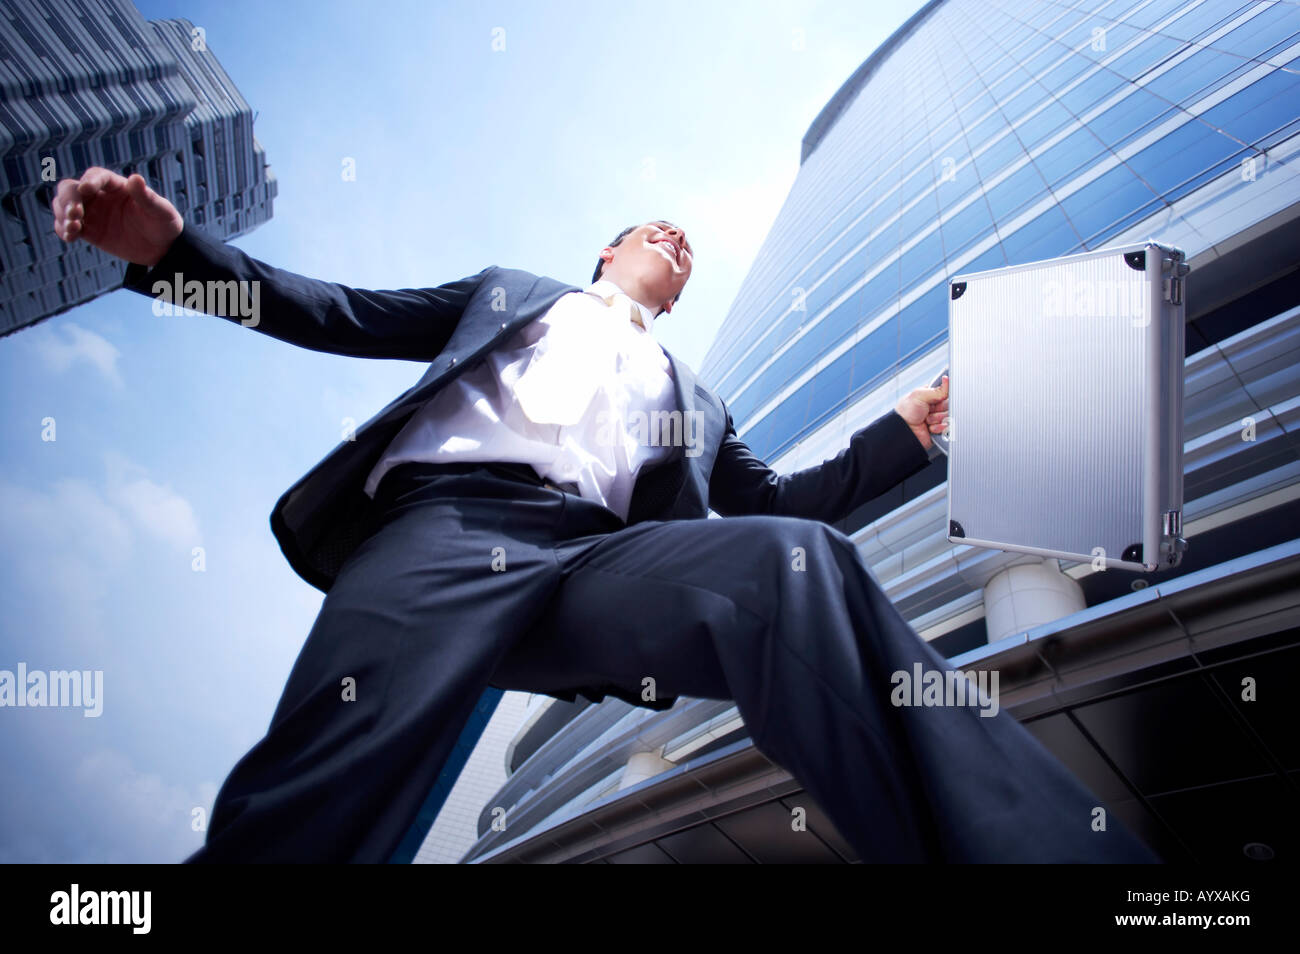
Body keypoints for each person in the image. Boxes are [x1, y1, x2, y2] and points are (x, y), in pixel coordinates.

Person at [51, 167, 1158, 863]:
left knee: (796, 564)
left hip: (593, 568)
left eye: (689, 245)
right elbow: (337, 312)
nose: (676, 240)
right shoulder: (509, 295)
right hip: (441, 531)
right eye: (657, 228)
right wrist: (175, 259)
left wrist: (904, 434)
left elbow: (773, 503)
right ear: (607, 252)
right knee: (337, 770)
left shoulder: (700, 399)